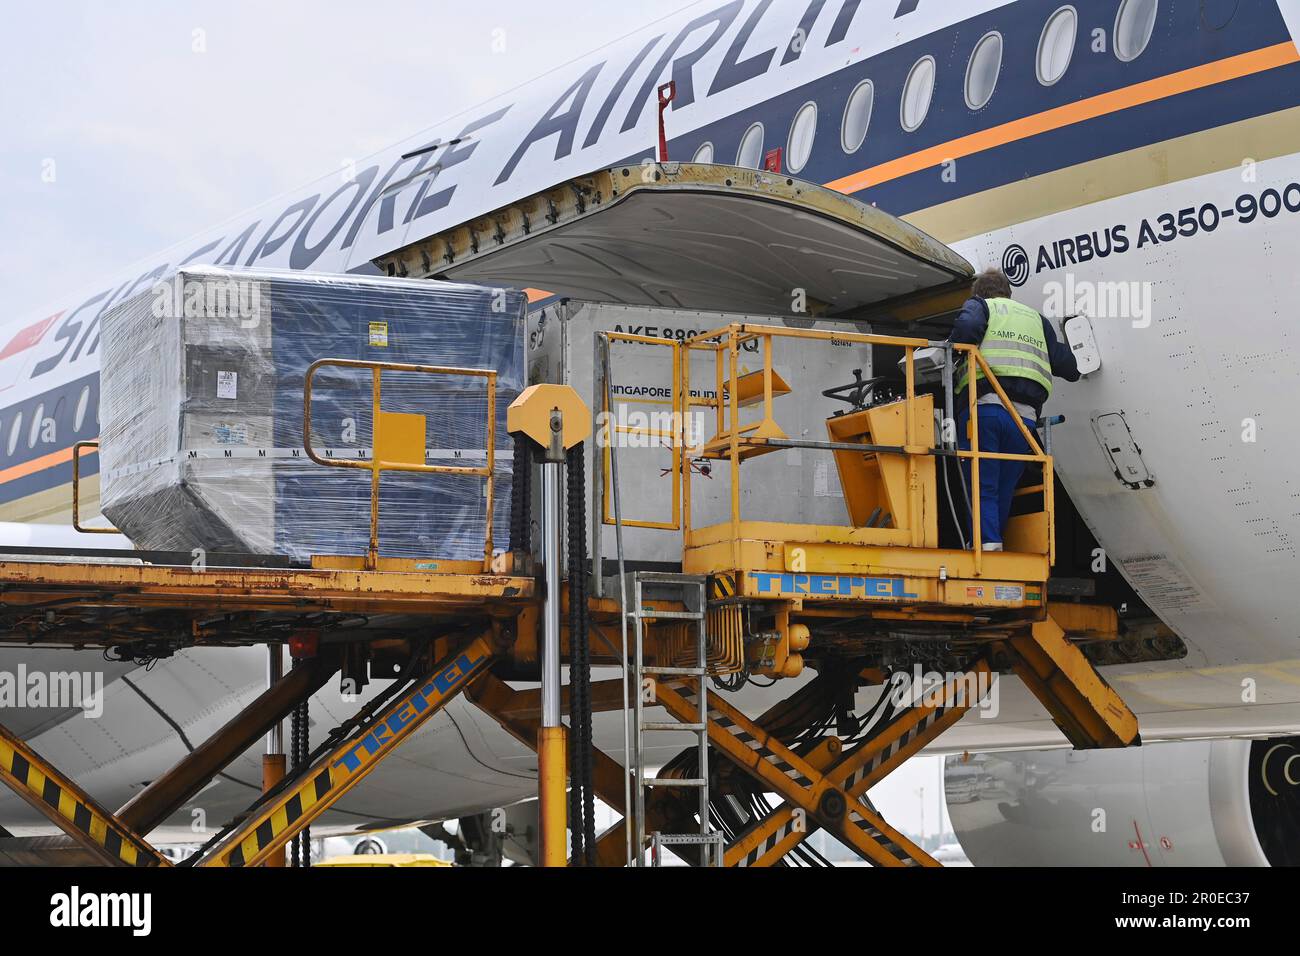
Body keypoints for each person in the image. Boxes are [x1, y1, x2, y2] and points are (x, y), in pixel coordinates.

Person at [950, 268, 1079, 551]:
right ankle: (992, 542)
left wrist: (953, 351)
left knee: (981, 480)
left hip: (985, 409)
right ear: (1008, 293)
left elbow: (967, 330)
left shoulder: (981, 306)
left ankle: (986, 543)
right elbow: (1068, 367)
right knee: (1005, 483)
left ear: (979, 292)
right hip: (1025, 421)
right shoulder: (1036, 320)